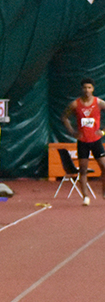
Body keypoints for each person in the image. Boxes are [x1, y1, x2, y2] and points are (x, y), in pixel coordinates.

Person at [61, 78, 105, 206]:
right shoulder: (75, 104)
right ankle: (85, 196)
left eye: (89, 88)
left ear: (93, 89)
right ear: (81, 89)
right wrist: (72, 132)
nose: (87, 90)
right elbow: (64, 117)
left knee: (104, 167)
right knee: (83, 169)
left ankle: (104, 191)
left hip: (96, 140)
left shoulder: (99, 103)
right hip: (83, 141)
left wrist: (103, 132)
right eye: (85, 88)